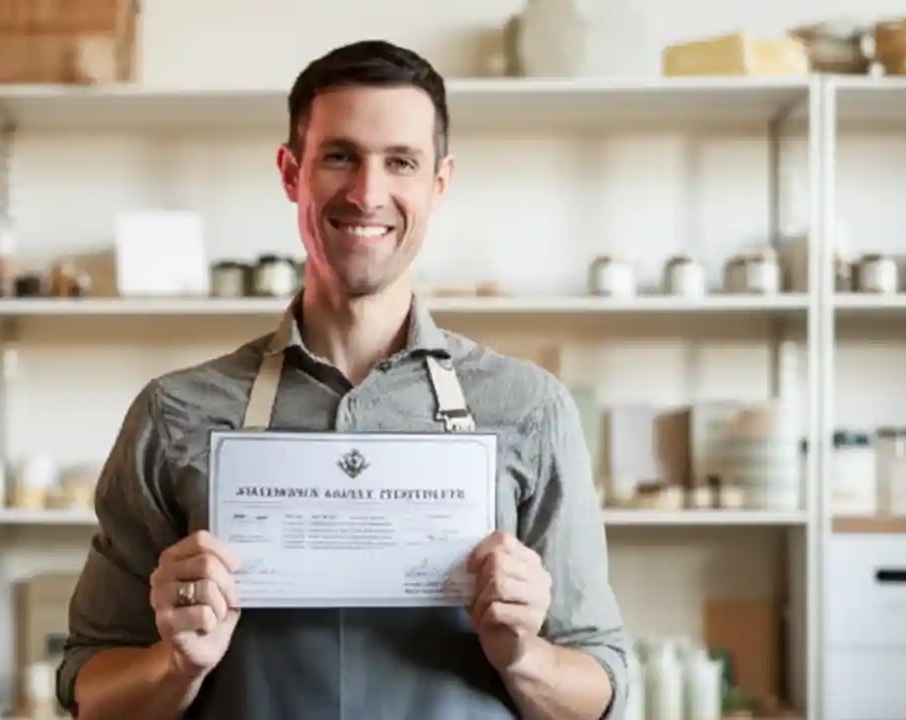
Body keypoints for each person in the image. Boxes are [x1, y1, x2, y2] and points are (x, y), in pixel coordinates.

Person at [57, 39, 630, 720]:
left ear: (438, 183)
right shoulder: (173, 412)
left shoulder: (529, 409)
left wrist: (523, 654)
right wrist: (174, 663)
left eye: (401, 162)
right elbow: (89, 686)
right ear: (290, 171)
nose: (367, 193)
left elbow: (601, 690)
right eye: (339, 156)